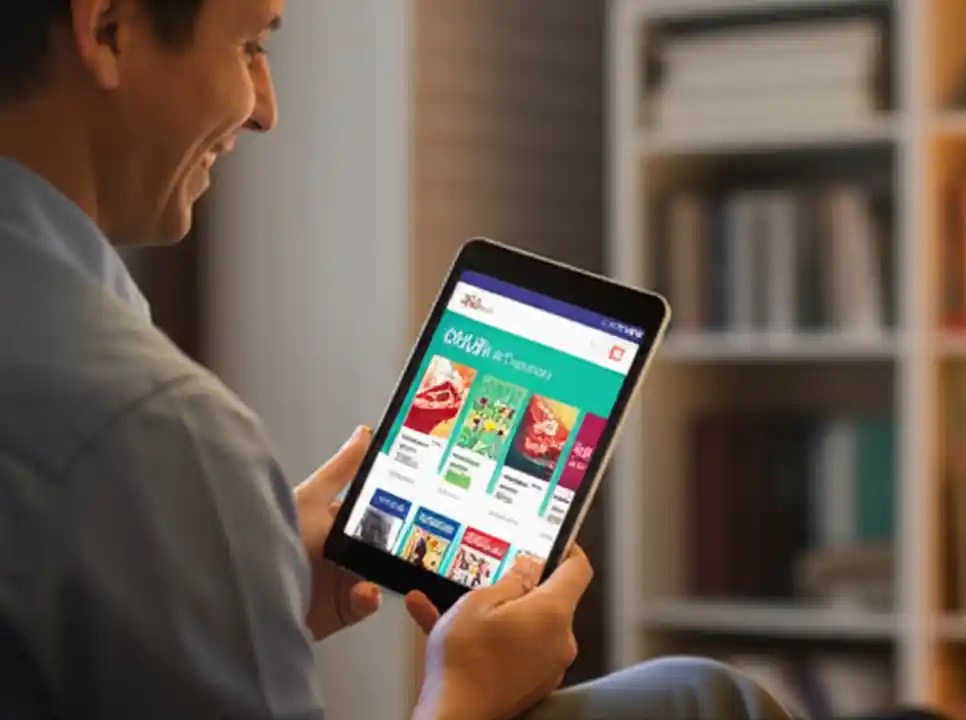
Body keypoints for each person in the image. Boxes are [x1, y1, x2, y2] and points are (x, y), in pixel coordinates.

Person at [0, 1, 792, 719]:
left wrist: (237, 584)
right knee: (707, 700)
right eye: (248, 47)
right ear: (106, 28)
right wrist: (463, 704)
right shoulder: (152, 427)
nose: (266, 110)